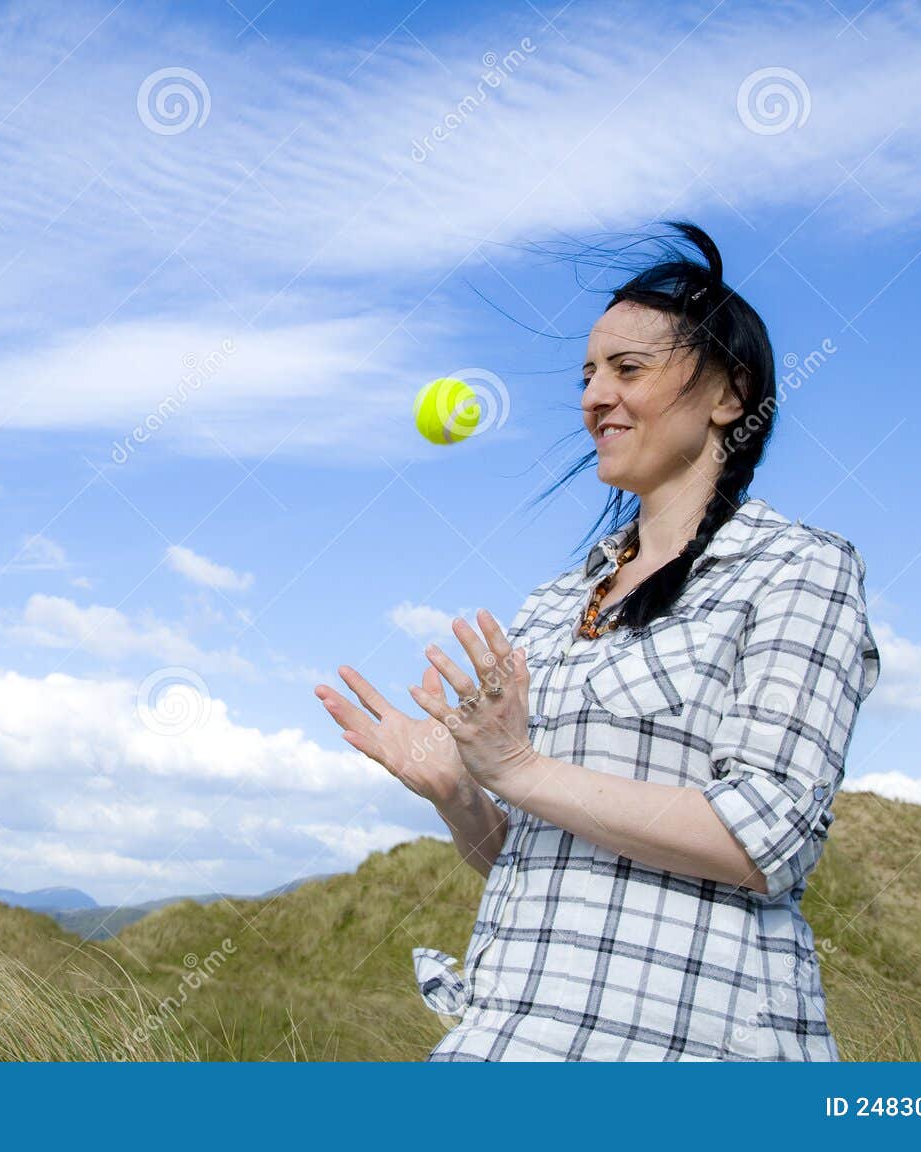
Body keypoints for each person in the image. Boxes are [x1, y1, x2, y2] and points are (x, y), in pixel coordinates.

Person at [313, 221, 881, 1060]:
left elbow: (767, 839)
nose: (593, 396)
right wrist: (458, 793)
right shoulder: (553, 605)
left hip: (684, 1042)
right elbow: (524, 853)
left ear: (729, 394)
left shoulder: (797, 570)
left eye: (628, 369)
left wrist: (518, 769)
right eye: (587, 374)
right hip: (511, 1032)